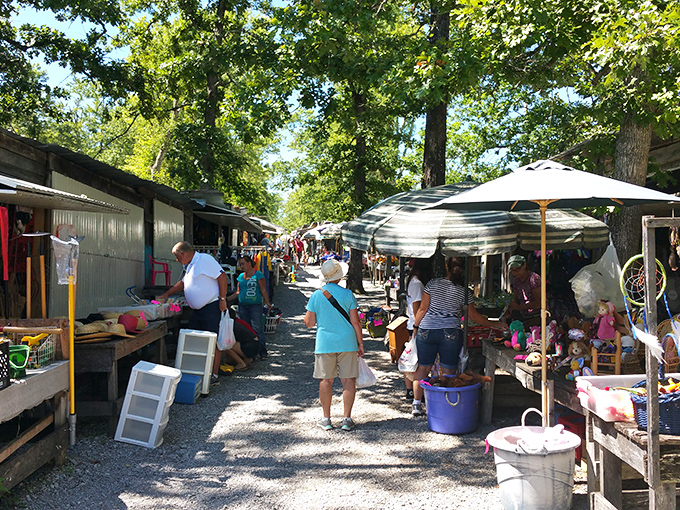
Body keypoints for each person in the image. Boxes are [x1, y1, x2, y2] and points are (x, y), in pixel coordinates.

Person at [411, 257, 507, 416]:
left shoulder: (432, 284)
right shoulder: (464, 291)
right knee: (448, 370)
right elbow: (474, 317)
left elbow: (422, 309)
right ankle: (446, 403)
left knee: (423, 367)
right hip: (450, 331)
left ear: (447, 267)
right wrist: (495, 324)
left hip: (427, 328)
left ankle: (416, 405)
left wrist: (415, 326)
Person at [304, 259, 364, 431]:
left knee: (325, 380)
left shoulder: (316, 295)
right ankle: (346, 419)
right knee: (348, 380)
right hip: (347, 341)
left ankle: (326, 418)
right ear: (339, 276)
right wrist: (360, 343)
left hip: (325, 342)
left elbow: (309, 323)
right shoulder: (348, 295)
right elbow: (356, 322)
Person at [158, 242, 227, 383]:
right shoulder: (189, 265)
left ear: (182, 253)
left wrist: (223, 299)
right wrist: (167, 293)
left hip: (211, 306)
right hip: (197, 310)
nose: (177, 260)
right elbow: (183, 283)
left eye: (177, 257)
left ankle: (213, 374)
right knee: (193, 339)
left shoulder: (204, 259)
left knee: (213, 339)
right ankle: (198, 370)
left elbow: (222, 276)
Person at [227, 254, 272, 359]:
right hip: (242, 306)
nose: (241, 266)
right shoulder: (240, 277)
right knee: (246, 330)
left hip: (255, 306)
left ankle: (262, 350)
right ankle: (249, 352)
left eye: (243, 264)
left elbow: (263, 289)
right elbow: (238, 292)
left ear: (249, 263)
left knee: (257, 329)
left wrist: (267, 302)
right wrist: (226, 299)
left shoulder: (258, 275)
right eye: (240, 264)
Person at [403, 258, 432, 400]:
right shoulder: (417, 284)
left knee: (412, 359)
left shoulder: (413, 282)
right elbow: (418, 309)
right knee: (416, 363)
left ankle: (411, 391)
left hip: (414, 325)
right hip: (417, 326)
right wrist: (417, 326)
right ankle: (414, 394)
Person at [502, 254, 542, 327]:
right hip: (523, 317)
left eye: (518, 269)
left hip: (537, 317)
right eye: (513, 270)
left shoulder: (534, 279)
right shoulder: (516, 281)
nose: (515, 272)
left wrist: (519, 307)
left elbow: (539, 303)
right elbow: (516, 299)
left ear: (524, 265)